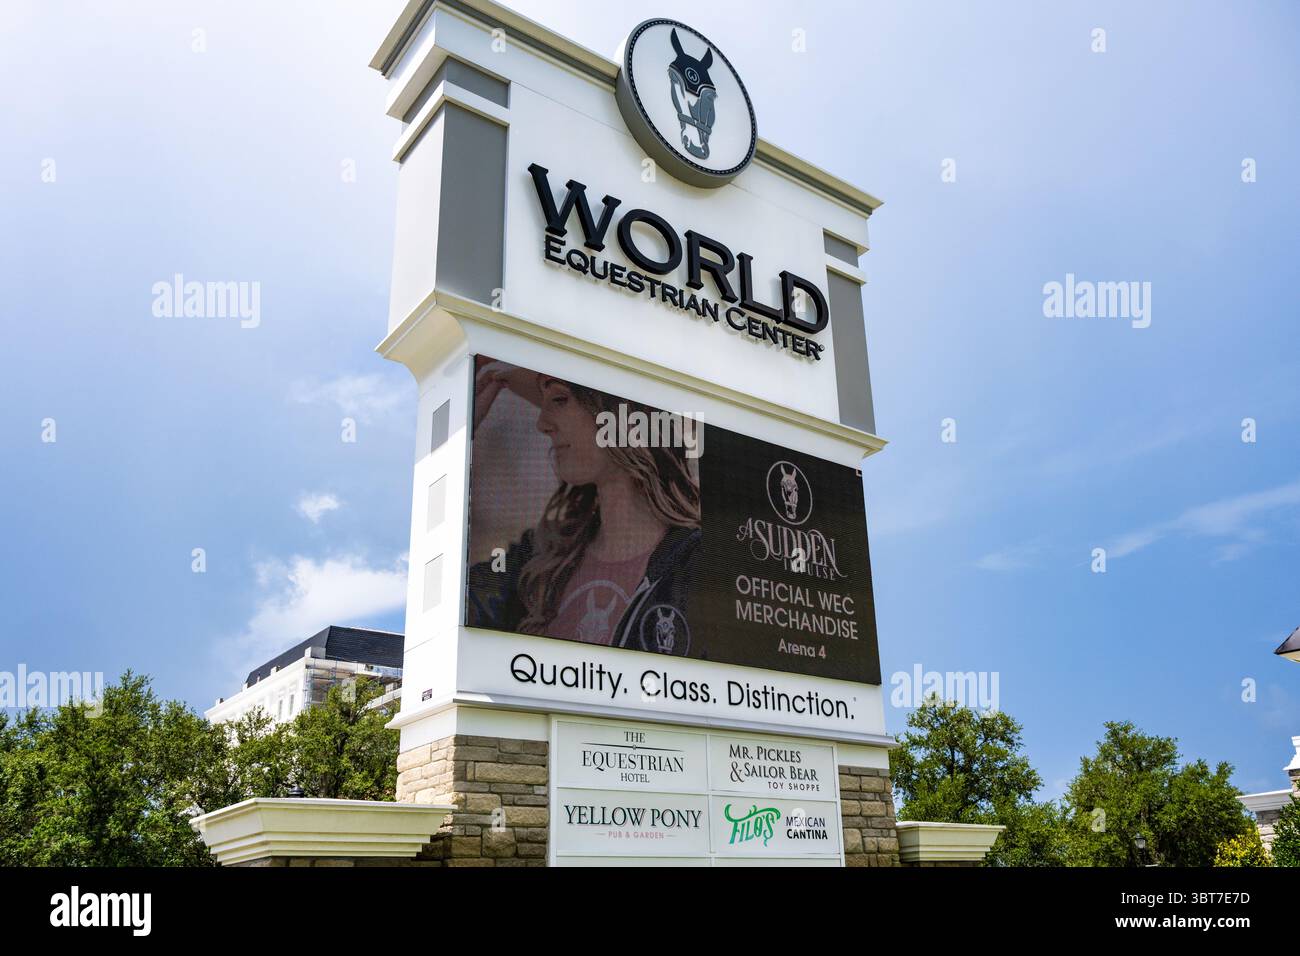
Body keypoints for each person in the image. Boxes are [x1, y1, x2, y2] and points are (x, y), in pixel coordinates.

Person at [467, 360, 701, 656]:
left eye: (560, 400)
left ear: (622, 417)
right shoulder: (533, 560)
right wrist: (461, 434)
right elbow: (453, 610)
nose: (543, 424)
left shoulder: (696, 563)